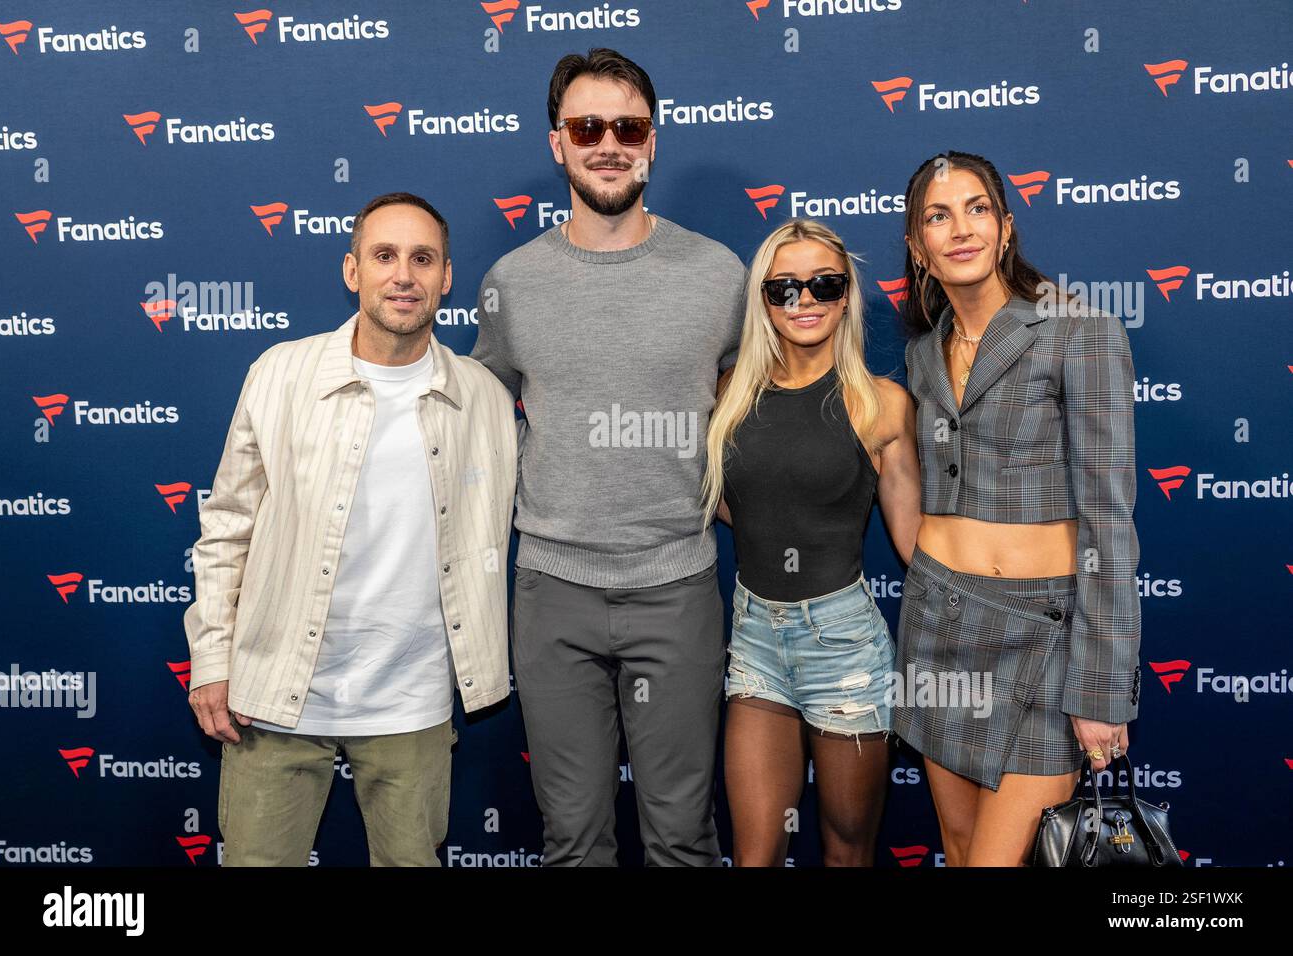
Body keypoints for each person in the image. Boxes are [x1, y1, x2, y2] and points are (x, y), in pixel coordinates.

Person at [184, 192, 518, 867]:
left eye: (423, 259)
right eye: (384, 256)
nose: (404, 276)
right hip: (274, 700)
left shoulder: (481, 396)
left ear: (446, 278)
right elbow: (226, 528)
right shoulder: (280, 374)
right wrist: (213, 658)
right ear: (352, 270)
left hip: (412, 706)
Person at [470, 48, 745, 866]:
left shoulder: (718, 275)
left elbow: (756, 416)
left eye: (627, 127)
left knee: (682, 839)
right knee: (574, 840)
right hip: (552, 592)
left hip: (678, 588)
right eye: (587, 126)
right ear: (557, 143)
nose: (608, 144)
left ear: (652, 141)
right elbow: (481, 418)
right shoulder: (511, 283)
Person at [892, 151, 1141, 866]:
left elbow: (1110, 523)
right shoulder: (922, 354)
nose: (959, 228)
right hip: (937, 626)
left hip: (1042, 636)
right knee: (963, 850)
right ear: (918, 247)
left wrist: (1100, 686)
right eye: (937, 216)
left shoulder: (1078, 331)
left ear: (1006, 228)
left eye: (976, 209)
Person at [702, 219, 921, 866]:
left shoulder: (881, 405)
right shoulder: (730, 394)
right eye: (784, 287)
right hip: (754, 641)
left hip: (845, 644)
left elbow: (914, 544)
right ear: (762, 299)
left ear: (847, 294)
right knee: (756, 854)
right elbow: (726, 500)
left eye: (823, 284)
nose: (804, 301)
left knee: (848, 850)